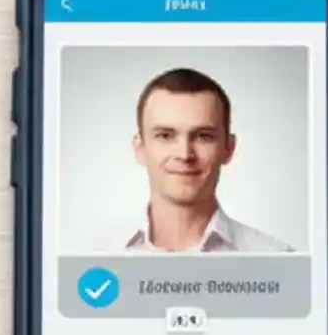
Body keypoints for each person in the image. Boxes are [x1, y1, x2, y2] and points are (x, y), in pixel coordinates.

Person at [120, 67, 293, 252]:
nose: (184, 154)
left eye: (203, 136)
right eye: (165, 136)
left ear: (229, 148)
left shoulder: (274, 258)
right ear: (140, 149)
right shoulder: (95, 257)